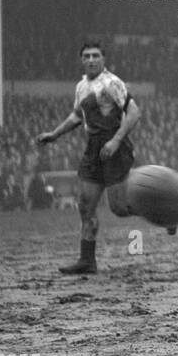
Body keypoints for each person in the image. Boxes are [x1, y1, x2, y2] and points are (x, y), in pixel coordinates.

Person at [35, 39, 154, 274]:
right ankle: (87, 260)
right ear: (81, 60)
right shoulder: (81, 86)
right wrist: (54, 134)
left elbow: (134, 112)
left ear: (103, 59)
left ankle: (160, 212)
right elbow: (78, 116)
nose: (91, 59)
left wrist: (116, 140)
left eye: (95, 55)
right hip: (93, 150)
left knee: (119, 208)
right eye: (87, 56)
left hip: (115, 148)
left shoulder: (111, 83)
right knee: (85, 205)